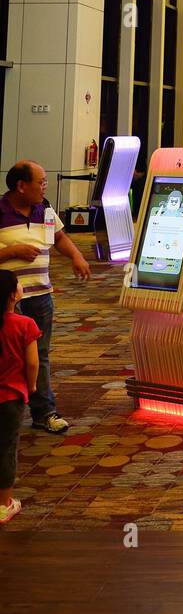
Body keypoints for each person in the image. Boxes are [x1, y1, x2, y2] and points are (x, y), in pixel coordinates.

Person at [0, 161, 91, 434]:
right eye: (40, 182)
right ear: (21, 185)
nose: (44, 187)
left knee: (39, 355)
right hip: (7, 301)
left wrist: (76, 256)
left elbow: (59, 238)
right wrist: (12, 251)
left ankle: (44, 412)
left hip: (40, 295)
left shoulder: (45, 209)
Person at [0, 270, 40, 523]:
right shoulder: (25, 324)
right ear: (14, 294)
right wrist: (32, 385)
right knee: (5, 449)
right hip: (11, 398)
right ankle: (4, 503)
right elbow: (33, 362)